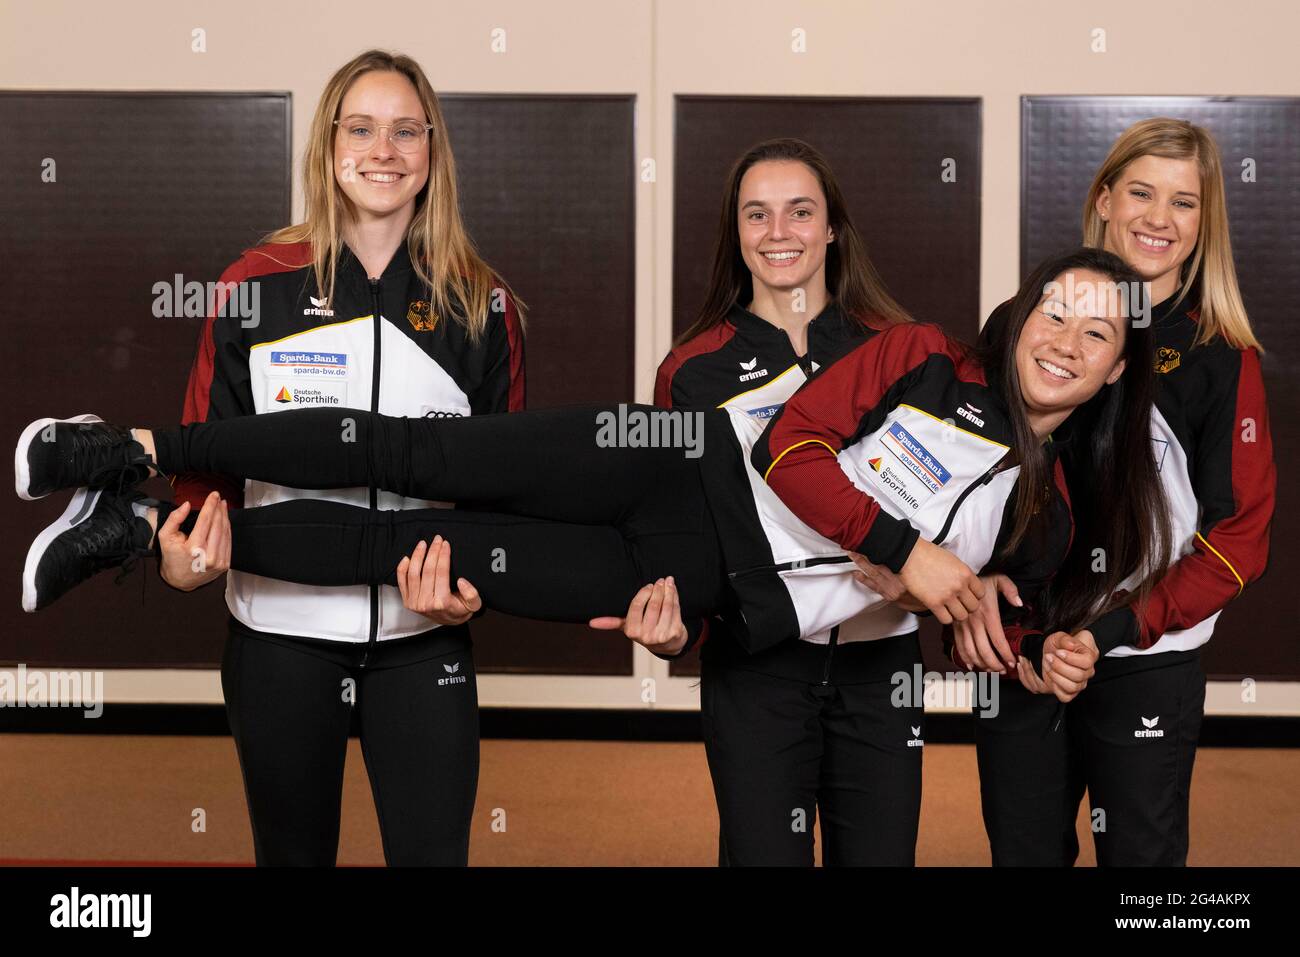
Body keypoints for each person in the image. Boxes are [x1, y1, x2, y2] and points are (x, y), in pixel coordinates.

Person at [24, 251, 1169, 744]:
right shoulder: (922, 356)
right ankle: (122, 450)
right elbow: (797, 452)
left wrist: (1029, 652)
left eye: (1097, 330)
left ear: (1118, 365)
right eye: (1055, 311)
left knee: (420, 548)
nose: (1065, 338)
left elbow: (991, 628)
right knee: (419, 453)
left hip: (709, 582)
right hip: (679, 455)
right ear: (1022, 314)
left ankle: (132, 534)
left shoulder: (1052, 513)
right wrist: (904, 551)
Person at [28, 48, 526, 867]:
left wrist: (475, 586)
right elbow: (210, 471)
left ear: (434, 151)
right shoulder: (253, 285)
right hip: (279, 640)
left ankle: (124, 502)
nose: (384, 150)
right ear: (328, 149)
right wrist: (179, 557)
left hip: (423, 640)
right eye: (360, 129)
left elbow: (501, 489)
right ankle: (128, 517)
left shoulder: (479, 301)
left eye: (407, 131)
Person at [968, 117, 1276, 867]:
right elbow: (973, 490)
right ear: (1103, 198)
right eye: (1141, 192)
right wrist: (995, 612)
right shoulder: (1022, 322)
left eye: (1183, 202)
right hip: (1024, 657)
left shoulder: (1220, 355)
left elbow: (1239, 542)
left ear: (1206, 223)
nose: (1158, 218)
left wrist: (1111, 631)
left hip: (1146, 659)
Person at [647, 138, 928, 866]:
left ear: (832, 227)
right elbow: (687, 532)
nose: (780, 233)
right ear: (736, 234)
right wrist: (682, 633)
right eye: (758, 215)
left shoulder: (897, 351)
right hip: (757, 669)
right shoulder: (691, 372)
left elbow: (945, 507)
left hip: (880, 662)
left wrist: (925, 588)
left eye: (800, 212)